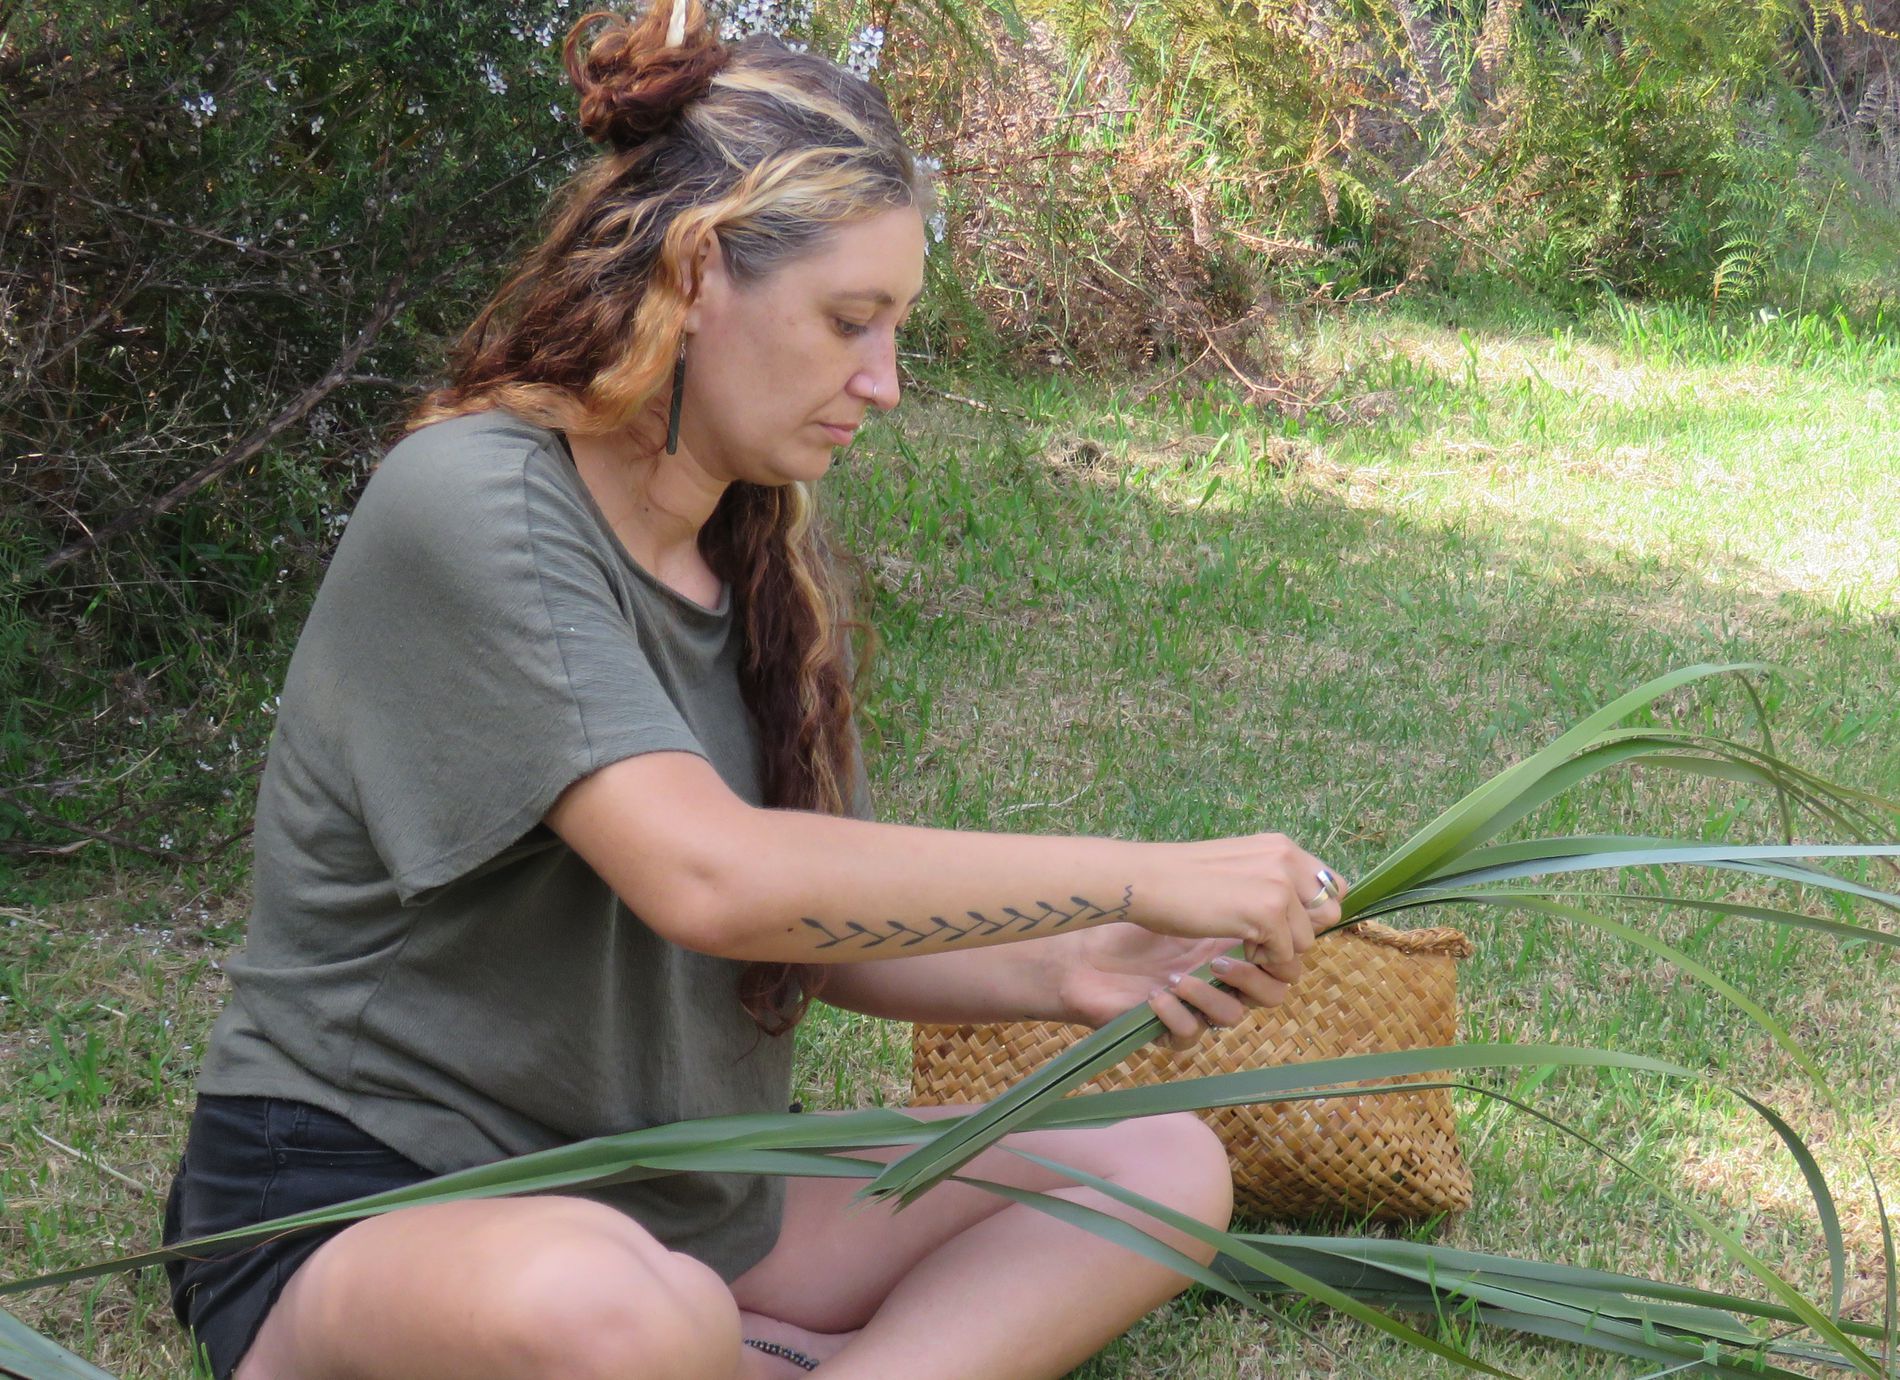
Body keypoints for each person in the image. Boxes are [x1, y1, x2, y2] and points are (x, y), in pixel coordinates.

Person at [159, 4, 1349, 1377]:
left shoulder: (754, 545)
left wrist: (1068, 963)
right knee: (625, 1316)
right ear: (697, 272)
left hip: (673, 1196)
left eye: (896, 327)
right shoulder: (474, 499)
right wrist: (1134, 878)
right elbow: (710, 877)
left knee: (1157, 1166)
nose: (885, 382)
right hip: (378, 1203)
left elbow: (812, 931)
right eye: (852, 321)